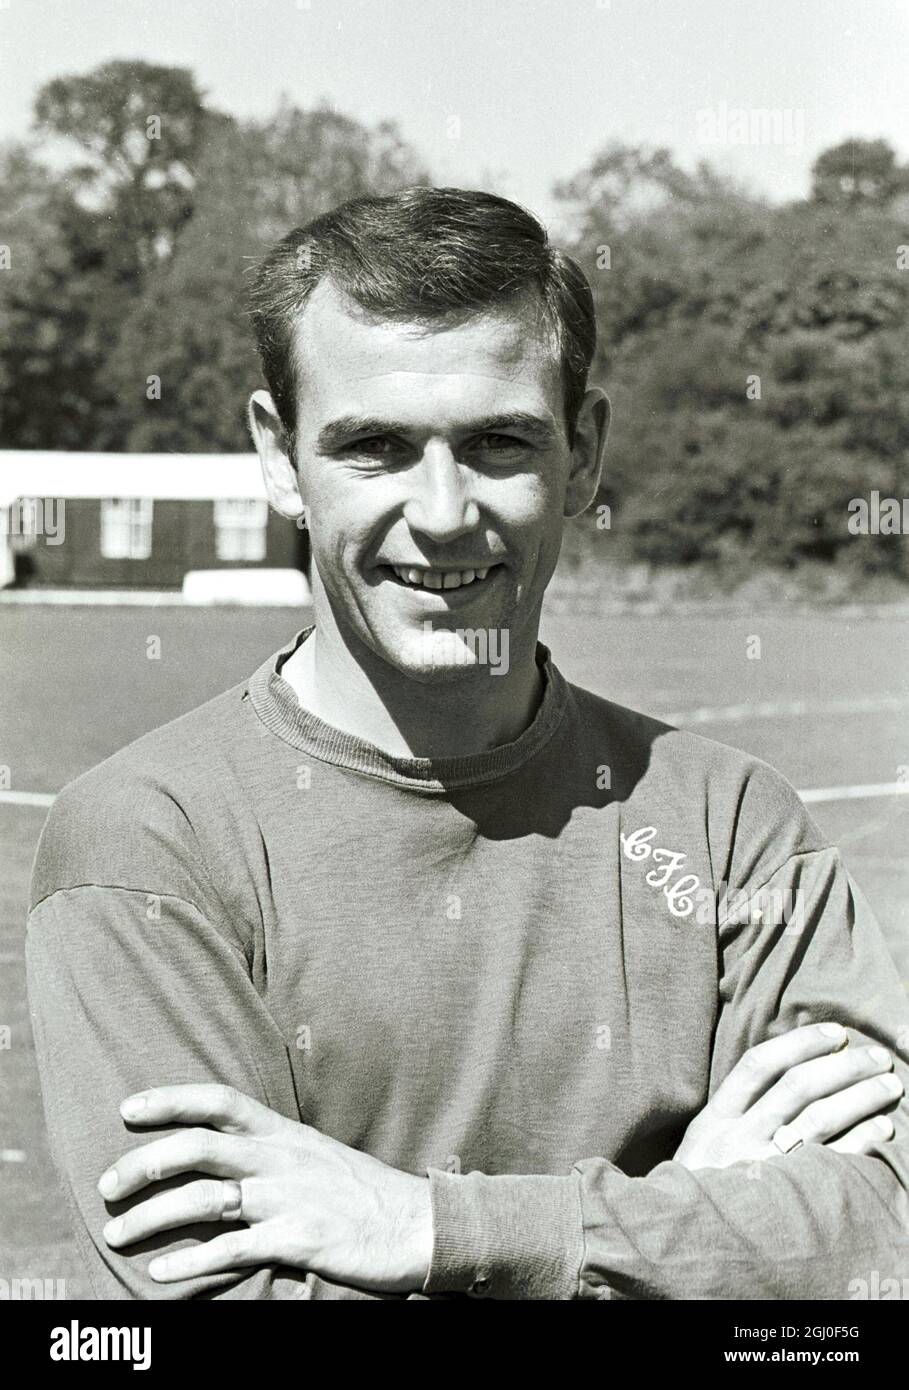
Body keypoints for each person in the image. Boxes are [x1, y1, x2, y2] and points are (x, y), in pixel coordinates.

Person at [26, 187, 909, 1300]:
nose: (442, 513)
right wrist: (682, 1223)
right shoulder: (148, 847)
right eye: (376, 448)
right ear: (279, 457)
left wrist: (433, 1229)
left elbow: (880, 1248)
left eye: (498, 442)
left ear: (583, 457)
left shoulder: (733, 827)